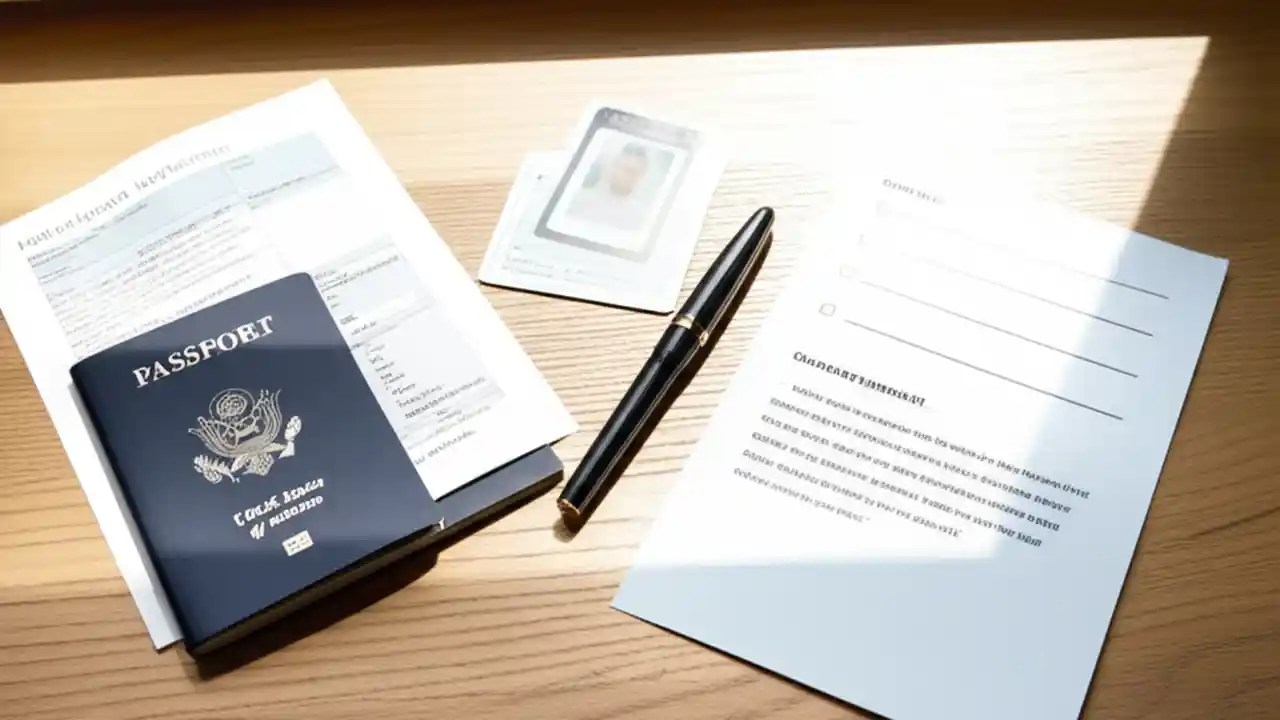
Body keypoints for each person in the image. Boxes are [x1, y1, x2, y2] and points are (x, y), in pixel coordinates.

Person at [567, 141, 655, 231]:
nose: (630, 177)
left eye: (636, 172)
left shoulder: (641, 219)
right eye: (626, 170)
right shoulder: (577, 200)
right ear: (612, 166)